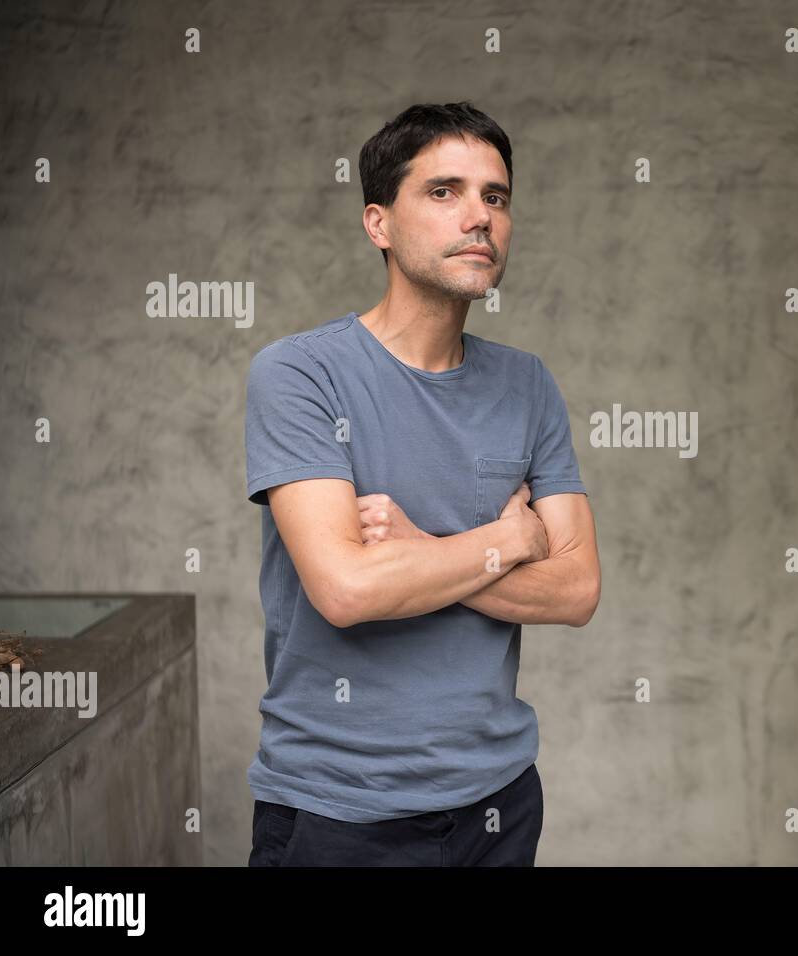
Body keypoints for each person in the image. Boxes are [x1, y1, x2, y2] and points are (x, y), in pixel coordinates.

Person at [243, 102, 600, 866]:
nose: (479, 216)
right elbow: (346, 592)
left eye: (495, 197)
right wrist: (509, 540)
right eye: (444, 192)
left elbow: (576, 591)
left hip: (499, 803)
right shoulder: (301, 374)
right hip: (340, 812)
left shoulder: (528, 385)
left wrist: (417, 556)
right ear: (378, 223)